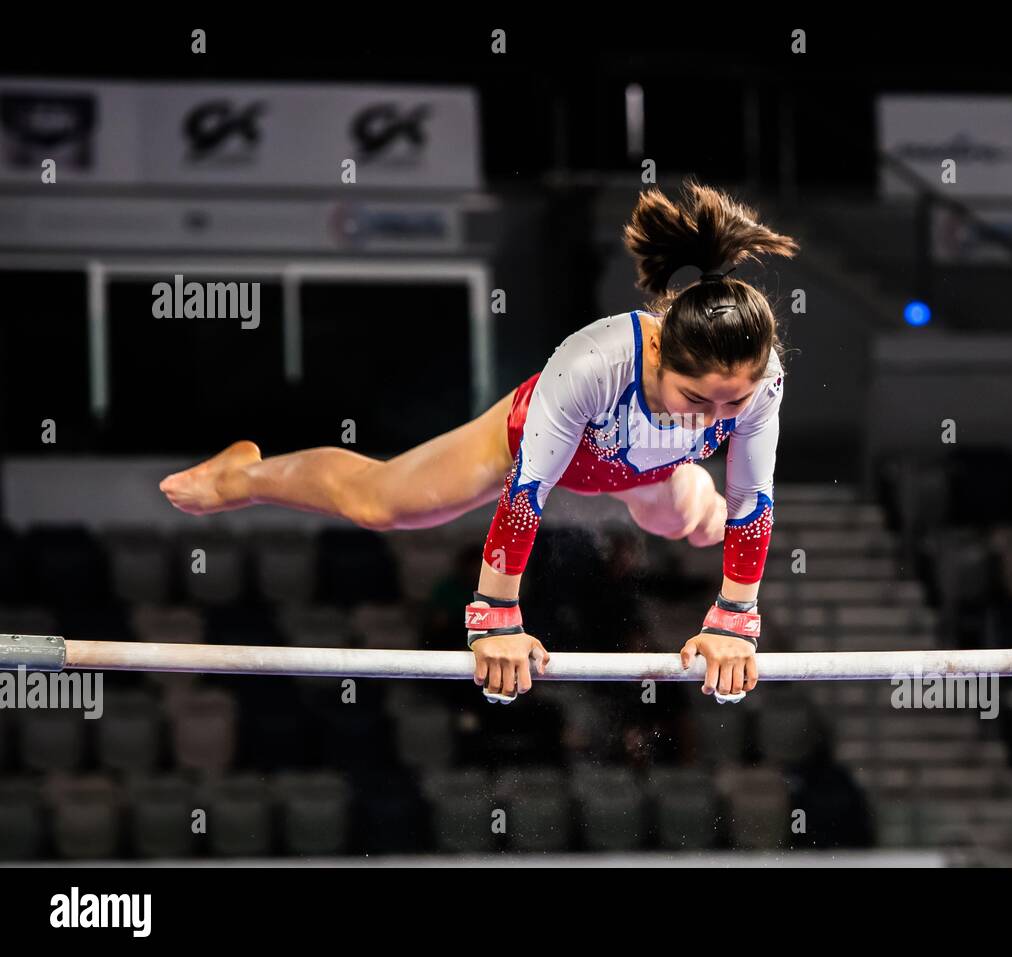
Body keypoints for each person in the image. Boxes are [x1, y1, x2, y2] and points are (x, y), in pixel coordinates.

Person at [159, 178, 798, 704]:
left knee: (700, 520)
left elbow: (755, 499)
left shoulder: (761, 376)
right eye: (695, 398)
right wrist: (496, 618)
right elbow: (527, 494)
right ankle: (241, 475)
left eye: (730, 403)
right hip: (528, 446)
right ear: (658, 353)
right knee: (379, 504)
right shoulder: (592, 363)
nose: (713, 414)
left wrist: (734, 624)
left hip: (647, 469)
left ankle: (690, 488)